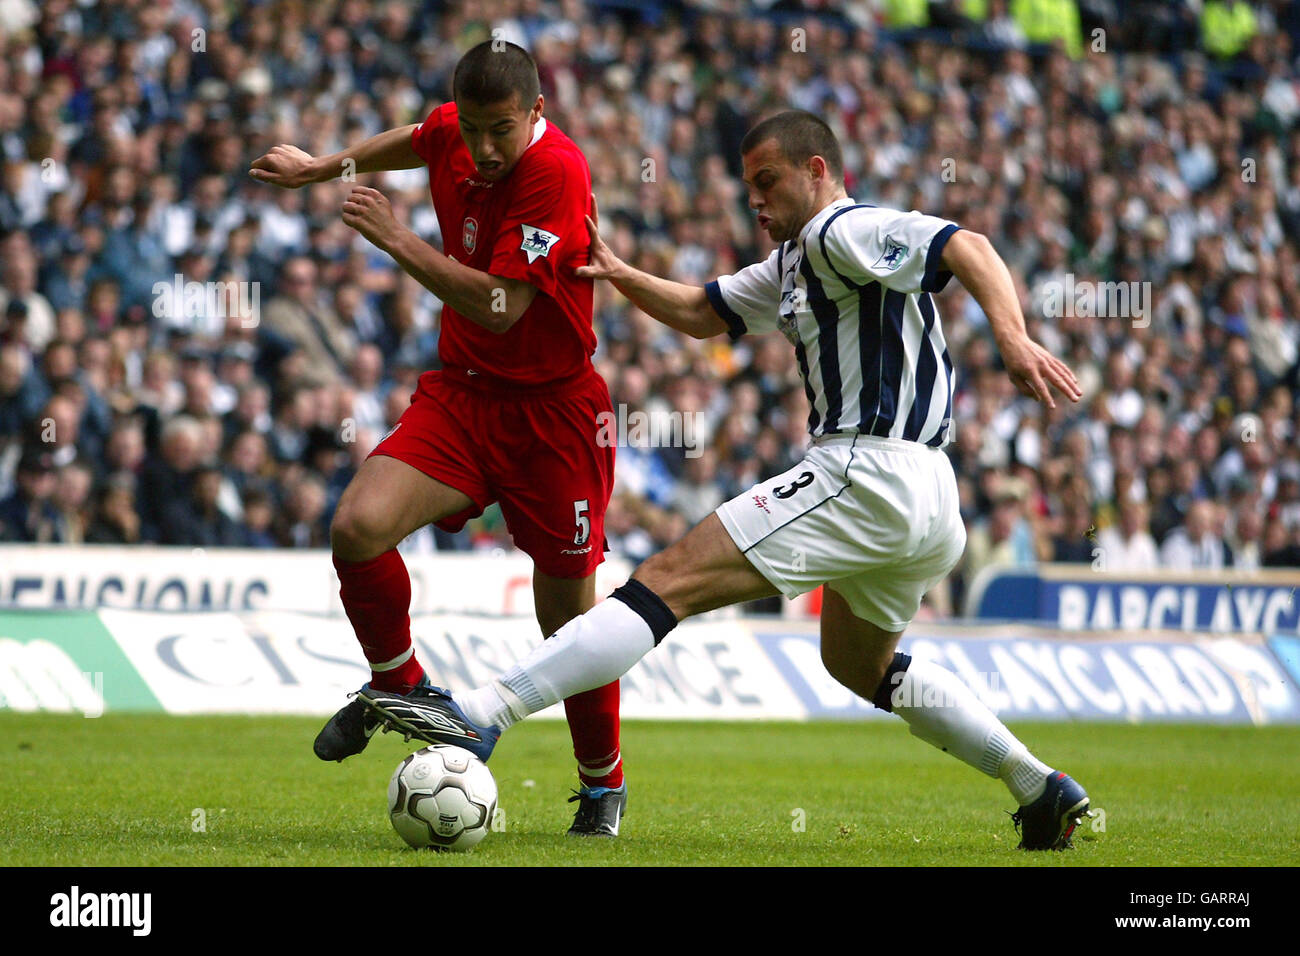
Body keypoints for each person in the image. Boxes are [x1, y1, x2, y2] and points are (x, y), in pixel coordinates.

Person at [360, 110, 1093, 850]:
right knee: (854, 662)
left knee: (666, 580)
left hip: (867, 469)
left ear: (817, 172)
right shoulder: (792, 266)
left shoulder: (845, 230)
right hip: (929, 497)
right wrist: (620, 273)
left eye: (768, 181)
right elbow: (701, 313)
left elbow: (967, 245)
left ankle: (481, 713)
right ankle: (1039, 787)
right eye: (748, 186)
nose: (756, 200)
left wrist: (1011, 332)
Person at [249, 42, 628, 837]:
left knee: (569, 622)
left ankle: (602, 786)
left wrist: (398, 239)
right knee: (357, 527)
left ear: (536, 114)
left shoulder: (555, 171)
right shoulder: (458, 128)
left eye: (503, 131)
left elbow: (502, 307)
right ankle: (404, 687)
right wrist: (324, 167)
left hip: (554, 414)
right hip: (462, 396)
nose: (485, 149)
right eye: (476, 130)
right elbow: (418, 136)